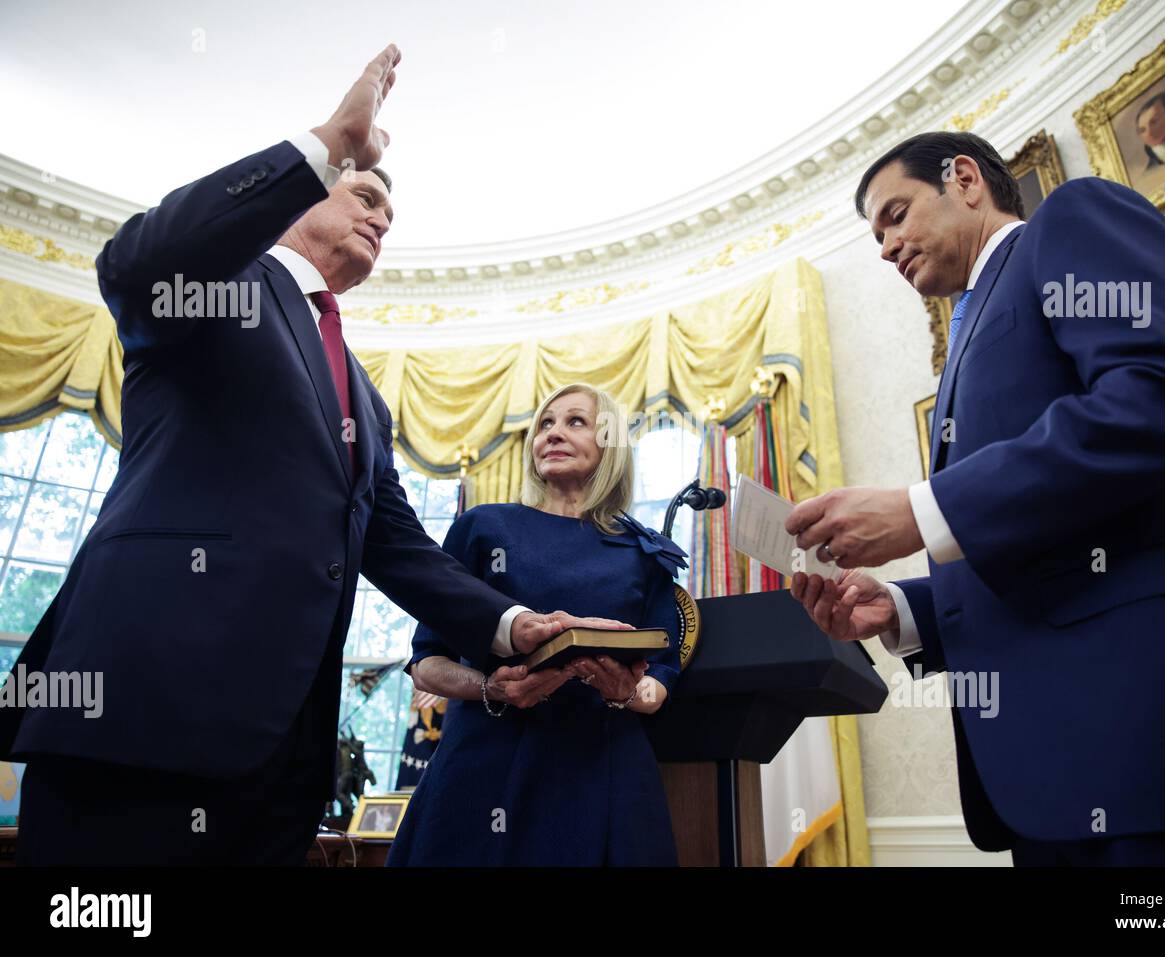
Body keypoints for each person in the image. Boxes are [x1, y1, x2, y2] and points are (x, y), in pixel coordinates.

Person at [0, 46, 617, 866]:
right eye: (364, 198)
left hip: (279, 762)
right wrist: (329, 141)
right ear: (301, 197)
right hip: (140, 716)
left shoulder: (364, 393)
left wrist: (512, 624)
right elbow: (137, 262)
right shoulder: (220, 288)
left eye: (388, 219)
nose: (381, 221)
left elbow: (394, 547)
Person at [786, 130, 1165, 865]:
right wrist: (904, 609)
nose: (885, 245)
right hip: (1047, 791)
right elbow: (1045, 545)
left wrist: (921, 510)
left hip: (1163, 756)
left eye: (895, 213)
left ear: (965, 179)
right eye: (875, 234)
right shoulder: (965, 332)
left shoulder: (1070, 221)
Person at [387, 384, 685, 866]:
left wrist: (627, 693)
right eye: (545, 424)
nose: (553, 434)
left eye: (575, 422)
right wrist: (493, 687)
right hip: (489, 761)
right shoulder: (483, 528)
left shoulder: (645, 552)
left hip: (603, 766)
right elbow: (426, 665)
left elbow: (662, 676)